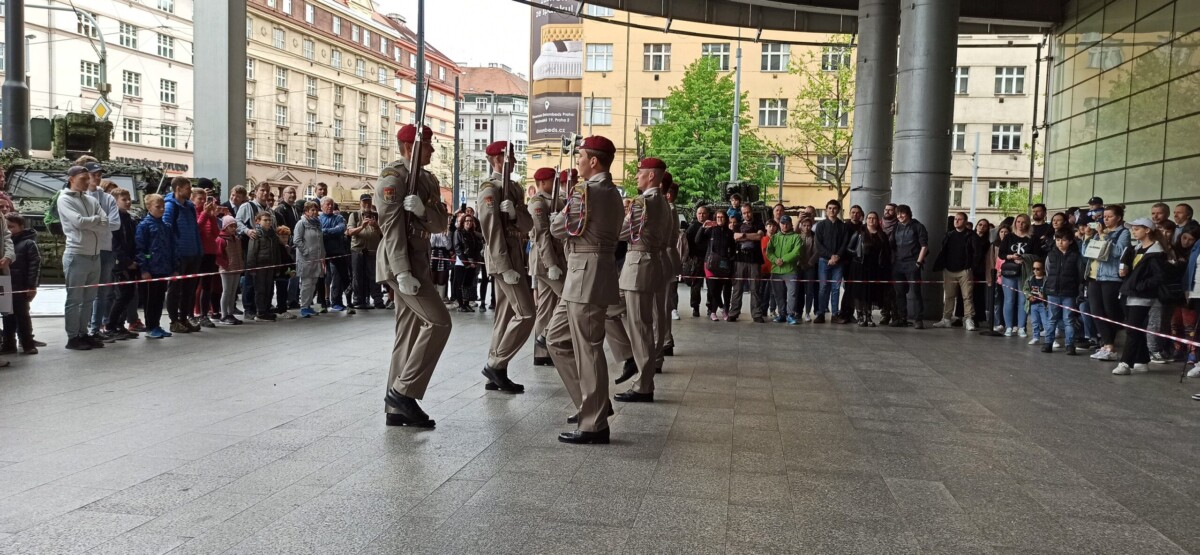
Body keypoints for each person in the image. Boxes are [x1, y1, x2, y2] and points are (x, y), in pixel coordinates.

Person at [545, 135, 623, 444]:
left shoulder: (587, 192)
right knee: (555, 339)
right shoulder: (613, 193)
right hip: (583, 276)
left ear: (594, 161)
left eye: (580, 156)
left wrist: (556, 218)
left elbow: (557, 228)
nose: (577, 161)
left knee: (589, 349)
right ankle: (595, 404)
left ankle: (594, 424)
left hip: (585, 276)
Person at [379, 124, 451, 428]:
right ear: (410, 147)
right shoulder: (392, 178)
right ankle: (402, 392)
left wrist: (422, 210)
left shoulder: (428, 180)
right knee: (439, 322)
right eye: (428, 145)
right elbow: (391, 227)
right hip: (401, 263)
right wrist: (403, 272)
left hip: (419, 260)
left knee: (407, 333)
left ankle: (396, 409)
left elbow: (440, 224)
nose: (432, 150)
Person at [475, 141, 535, 393]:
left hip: (515, 255)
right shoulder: (490, 188)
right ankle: (496, 364)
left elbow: (527, 224)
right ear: (493, 160)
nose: (510, 159)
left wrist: (514, 215)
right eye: (504, 156)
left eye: (511, 155)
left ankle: (495, 375)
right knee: (527, 313)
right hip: (503, 259)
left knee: (505, 315)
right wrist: (504, 265)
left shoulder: (515, 187)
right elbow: (491, 230)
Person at [614, 157, 672, 403]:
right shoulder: (664, 204)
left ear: (651, 176)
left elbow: (623, 233)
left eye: (640, 173)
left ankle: (644, 385)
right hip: (648, 264)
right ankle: (628, 356)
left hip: (638, 267)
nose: (637, 176)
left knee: (640, 328)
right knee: (611, 310)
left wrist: (622, 216)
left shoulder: (643, 202)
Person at [58, 165, 108, 350]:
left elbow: (106, 223)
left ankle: (83, 333)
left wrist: (92, 222)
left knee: (89, 299)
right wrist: (95, 220)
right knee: (75, 299)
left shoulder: (90, 199)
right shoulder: (64, 199)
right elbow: (78, 222)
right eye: (83, 179)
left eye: (89, 178)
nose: (88, 182)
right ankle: (72, 337)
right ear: (71, 179)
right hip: (76, 254)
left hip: (95, 255)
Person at [1112, 218, 1166, 375]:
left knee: (1132, 329)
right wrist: (1125, 274)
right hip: (1129, 293)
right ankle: (1141, 360)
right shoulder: (1134, 249)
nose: (1133, 232)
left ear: (1147, 230)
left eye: (1137, 229)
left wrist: (1140, 286)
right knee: (1135, 328)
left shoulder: (1156, 252)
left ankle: (1125, 363)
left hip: (1142, 296)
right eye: (1133, 229)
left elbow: (1159, 276)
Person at [1081, 205, 1130, 361]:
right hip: (1094, 276)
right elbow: (1086, 253)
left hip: (1110, 277)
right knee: (1096, 311)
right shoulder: (1098, 233)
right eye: (1104, 216)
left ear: (1119, 218)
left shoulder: (1123, 233)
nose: (1106, 219)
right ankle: (1106, 344)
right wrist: (1088, 237)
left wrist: (1103, 235)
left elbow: (1118, 252)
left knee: (1110, 312)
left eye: (1109, 216)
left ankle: (1109, 345)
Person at [527, 167, 565, 366]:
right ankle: (546, 340)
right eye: (552, 180)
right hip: (545, 262)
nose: (555, 183)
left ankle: (542, 352)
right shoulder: (538, 202)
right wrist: (551, 264)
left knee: (546, 306)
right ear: (542, 183)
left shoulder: (556, 200)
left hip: (554, 260)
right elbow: (542, 235)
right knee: (566, 296)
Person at [80, 163, 121, 341]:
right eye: (93, 174)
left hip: (105, 249)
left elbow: (115, 224)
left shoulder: (108, 198)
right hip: (86, 249)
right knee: (85, 291)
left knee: (103, 291)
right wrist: (99, 223)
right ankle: (83, 329)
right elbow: (78, 224)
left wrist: (91, 224)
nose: (96, 177)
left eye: (99, 174)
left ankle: (96, 329)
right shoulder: (79, 197)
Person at [163, 177, 203, 334]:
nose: (190, 191)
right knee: (175, 289)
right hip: (179, 255)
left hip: (193, 253)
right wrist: (174, 251)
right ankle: (174, 321)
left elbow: (194, 229)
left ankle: (184, 318)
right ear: (178, 189)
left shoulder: (190, 207)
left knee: (189, 289)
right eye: (187, 188)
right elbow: (167, 230)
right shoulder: (170, 206)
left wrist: (199, 250)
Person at [103, 188, 140, 339]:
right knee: (123, 295)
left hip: (132, 262)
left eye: (129, 199)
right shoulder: (114, 220)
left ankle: (120, 324)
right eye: (123, 199)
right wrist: (126, 261)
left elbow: (133, 242)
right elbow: (115, 244)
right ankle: (111, 325)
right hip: (121, 264)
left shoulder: (129, 219)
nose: (128, 202)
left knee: (129, 294)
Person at [136, 194, 174, 339]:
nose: (162, 209)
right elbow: (140, 249)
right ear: (149, 207)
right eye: (158, 207)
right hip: (151, 270)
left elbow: (171, 248)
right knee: (150, 300)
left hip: (163, 268)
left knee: (159, 299)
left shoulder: (166, 226)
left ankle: (156, 324)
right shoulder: (144, 226)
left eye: (163, 206)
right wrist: (144, 269)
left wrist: (172, 267)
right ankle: (150, 327)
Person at [932, 212, 977, 330]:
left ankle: (968, 319)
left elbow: (976, 252)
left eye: (960, 219)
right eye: (955, 219)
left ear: (965, 221)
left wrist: (971, 266)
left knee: (967, 296)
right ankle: (946, 319)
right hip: (949, 269)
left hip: (965, 270)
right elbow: (943, 251)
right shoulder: (949, 235)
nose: (956, 221)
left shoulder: (971, 235)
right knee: (949, 296)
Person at [999, 213, 1041, 337]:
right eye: (1018, 222)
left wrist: (1024, 258)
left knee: (1023, 300)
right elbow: (1001, 254)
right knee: (1009, 300)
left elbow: (1038, 255)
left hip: (1026, 272)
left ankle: (1021, 327)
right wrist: (1011, 256)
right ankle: (1009, 327)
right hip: (1010, 272)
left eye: (1023, 222)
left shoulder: (1033, 238)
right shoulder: (1009, 237)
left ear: (1028, 224)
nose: (1020, 224)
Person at [1041, 231, 1083, 355]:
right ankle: (1048, 343)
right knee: (1051, 319)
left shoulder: (1075, 256)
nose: (1060, 243)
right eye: (1058, 240)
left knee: (1068, 319)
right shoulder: (1051, 254)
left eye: (1064, 240)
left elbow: (1080, 274)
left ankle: (1070, 345)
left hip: (1069, 293)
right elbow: (1047, 272)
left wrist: (1076, 288)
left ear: (1070, 241)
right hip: (1052, 292)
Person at [889, 205, 929, 329]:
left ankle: (918, 319)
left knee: (916, 292)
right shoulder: (896, 227)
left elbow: (924, 246)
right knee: (899, 292)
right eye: (898, 214)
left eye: (902, 213)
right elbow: (892, 245)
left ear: (908, 213)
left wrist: (918, 263)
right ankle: (902, 318)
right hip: (898, 264)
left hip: (912, 263)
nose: (900, 216)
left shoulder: (918, 226)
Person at [4, 214, 39, 356]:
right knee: (7, 316)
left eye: (12, 226)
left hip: (21, 286)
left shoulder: (28, 244)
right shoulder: (4, 243)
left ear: (21, 227)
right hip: (5, 285)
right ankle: (8, 344)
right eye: (6, 226)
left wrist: (32, 286)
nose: (8, 229)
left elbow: (34, 266)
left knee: (23, 316)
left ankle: (27, 344)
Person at [848, 212, 890, 327]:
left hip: (875, 267)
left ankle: (868, 316)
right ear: (866, 220)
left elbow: (886, 252)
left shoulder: (882, 235)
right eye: (869, 218)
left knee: (870, 292)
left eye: (874, 218)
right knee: (859, 292)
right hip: (859, 266)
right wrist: (857, 254)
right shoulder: (859, 233)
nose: (871, 220)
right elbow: (849, 248)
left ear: (878, 221)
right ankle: (860, 316)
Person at [813, 200, 849, 324]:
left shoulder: (843, 226)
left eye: (834, 208)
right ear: (826, 209)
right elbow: (818, 244)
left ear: (838, 210)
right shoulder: (820, 225)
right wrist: (830, 256)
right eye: (829, 208)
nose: (832, 210)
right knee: (823, 288)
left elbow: (845, 244)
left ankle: (834, 314)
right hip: (824, 261)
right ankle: (821, 314)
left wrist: (837, 256)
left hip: (839, 262)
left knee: (835, 288)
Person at [346, 193, 384, 309]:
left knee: (374, 276)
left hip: (373, 250)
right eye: (364, 202)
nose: (367, 204)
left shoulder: (377, 216)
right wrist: (362, 226)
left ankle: (377, 300)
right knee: (357, 276)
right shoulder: (355, 215)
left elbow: (385, 233)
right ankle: (359, 300)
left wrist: (376, 226)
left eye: (369, 201)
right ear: (360, 203)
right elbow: (349, 232)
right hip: (358, 250)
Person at [729, 204, 765, 323]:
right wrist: (750, 236)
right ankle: (734, 312)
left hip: (754, 260)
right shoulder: (738, 225)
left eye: (748, 212)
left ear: (752, 212)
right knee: (737, 288)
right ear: (741, 213)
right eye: (744, 213)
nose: (747, 215)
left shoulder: (759, 224)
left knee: (755, 288)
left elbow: (759, 236)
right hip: (739, 259)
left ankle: (756, 314)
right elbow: (735, 237)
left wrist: (743, 236)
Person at [246, 212, 282, 322]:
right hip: (260, 266)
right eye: (265, 220)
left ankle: (266, 309)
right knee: (260, 289)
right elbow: (251, 253)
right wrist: (252, 268)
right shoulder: (256, 235)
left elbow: (277, 252)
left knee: (269, 288)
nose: (268, 222)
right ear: (258, 221)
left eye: (269, 220)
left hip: (271, 265)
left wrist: (278, 267)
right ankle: (260, 311)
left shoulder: (273, 235)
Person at [766, 215, 802, 325]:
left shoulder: (796, 237)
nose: (784, 225)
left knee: (792, 294)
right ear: (779, 224)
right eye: (782, 223)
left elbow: (797, 252)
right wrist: (775, 260)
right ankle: (781, 314)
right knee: (778, 294)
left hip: (790, 271)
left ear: (791, 224)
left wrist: (783, 260)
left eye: (786, 223)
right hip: (776, 270)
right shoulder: (774, 237)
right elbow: (769, 252)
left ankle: (790, 315)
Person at [316, 196, 350, 312]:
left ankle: (344, 302)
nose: (330, 206)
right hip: (323, 252)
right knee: (322, 277)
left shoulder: (339, 218)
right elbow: (318, 232)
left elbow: (340, 229)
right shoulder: (318, 219)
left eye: (331, 204)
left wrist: (325, 231)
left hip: (338, 252)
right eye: (327, 204)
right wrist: (331, 231)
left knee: (342, 277)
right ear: (322, 206)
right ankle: (322, 304)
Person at [192, 185, 220, 328]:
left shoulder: (208, 214)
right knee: (193, 284)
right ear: (193, 199)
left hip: (210, 253)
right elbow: (196, 229)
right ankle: (191, 314)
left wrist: (212, 216)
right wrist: (204, 214)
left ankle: (204, 314)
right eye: (200, 199)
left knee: (206, 285)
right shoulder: (193, 212)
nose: (203, 201)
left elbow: (216, 233)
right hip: (198, 253)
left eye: (205, 199)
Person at [293, 201, 326, 318]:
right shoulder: (301, 223)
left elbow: (320, 241)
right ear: (306, 211)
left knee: (313, 283)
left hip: (317, 259)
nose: (315, 212)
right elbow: (297, 240)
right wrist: (306, 252)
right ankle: (304, 307)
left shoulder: (317, 224)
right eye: (312, 210)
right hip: (305, 259)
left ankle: (308, 305)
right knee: (306, 283)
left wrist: (322, 255)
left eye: (316, 210)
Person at [702, 210, 735, 321]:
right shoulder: (711, 230)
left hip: (722, 265)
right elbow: (698, 240)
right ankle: (721, 308)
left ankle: (714, 312)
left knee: (719, 288)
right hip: (710, 263)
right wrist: (703, 227)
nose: (720, 219)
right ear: (715, 218)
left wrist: (730, 259)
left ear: (725, 218)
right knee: (713, 289)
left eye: (722, 217)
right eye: (718, 217)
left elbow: (733, 249)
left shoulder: (729, 233)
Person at [215, 216, 244, 325]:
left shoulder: (236, 239)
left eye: (235, 226)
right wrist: (225, 265)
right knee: (226, 291)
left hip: (236, 268)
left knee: (233, 291)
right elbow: (218, 256)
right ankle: (223, 314)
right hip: (227, 270)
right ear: (225, 227)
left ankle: (230, 312)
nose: (233, 228)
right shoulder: (221, 240)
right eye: (231, 226)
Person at [685, 205, 710, 317]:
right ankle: (695, 307)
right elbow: (687, 242)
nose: (701, 215)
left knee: (711, 284)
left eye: (703, 213)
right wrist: (690, 256)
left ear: (707, 215)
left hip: (710, 259)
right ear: (696, 215)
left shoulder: (711, 226)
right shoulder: (693, 227)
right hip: (697, 259)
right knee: (696, 284)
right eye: (699, 213)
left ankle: (711, 308)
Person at [454, 216, 483, 311]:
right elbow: (458, 248)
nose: (469, 223)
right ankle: (461, 305)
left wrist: (474, 261)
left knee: (468, 284)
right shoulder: (458, 232)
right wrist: (466, 262)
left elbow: (477, 248)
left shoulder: (473, 234)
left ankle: (466, 304)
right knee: (460, 285)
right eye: (467, 221)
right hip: (462, 263)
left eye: (470, 221)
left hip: (472, 263)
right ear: (463, 222)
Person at [797, 216, 819, 321]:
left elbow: (817, 252)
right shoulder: (797, 236)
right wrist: (800, 263)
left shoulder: (815, 237)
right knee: (798, 290)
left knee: (809, 291)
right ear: (801, 225)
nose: (806, 227)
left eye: (809, 225)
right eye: (804, 225)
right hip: (798, 267)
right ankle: (798, 311)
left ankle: (807, 312)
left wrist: (810, 263)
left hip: (810, 267)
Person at [1025, 260, 1050, 346]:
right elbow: (1025, 289)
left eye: (1038, 269)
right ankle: (1036, 337)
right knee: (1034, 322)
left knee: (1046, 322)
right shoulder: (1030, 279)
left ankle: (1049, 339)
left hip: (1044, 305)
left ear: (1043, 269)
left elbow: (1050, 290)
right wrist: (1029, 296)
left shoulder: (1046, 280)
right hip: (1033, 304)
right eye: (1033, 268)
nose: (1035, 270)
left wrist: (1045, 296)